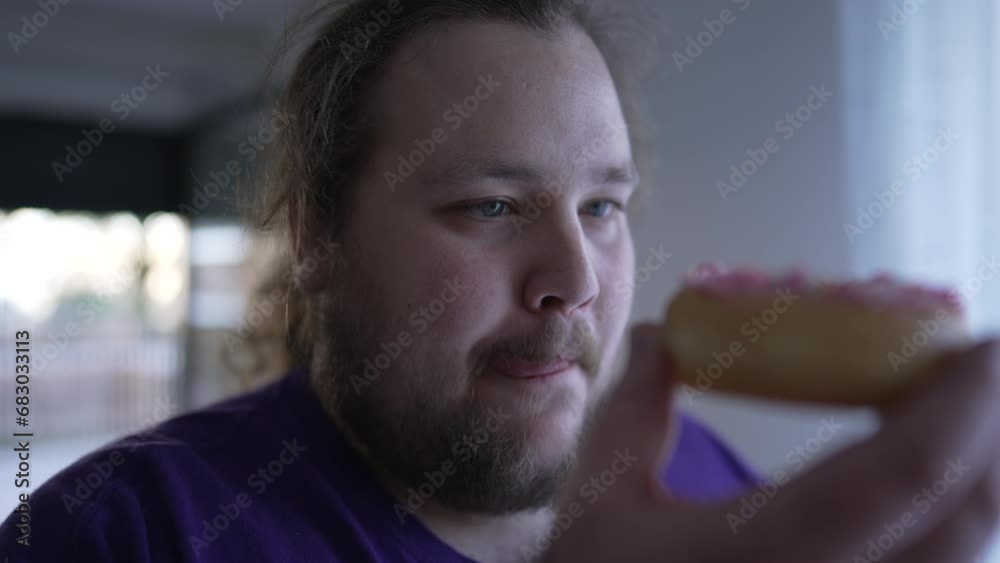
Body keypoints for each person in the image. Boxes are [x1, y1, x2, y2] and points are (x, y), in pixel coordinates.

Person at [4, 0, 999, 561]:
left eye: (602, 207)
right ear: (316, 235)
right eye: (489, 204)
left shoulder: (707, 485)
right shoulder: (120, 532)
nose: (574, 279)